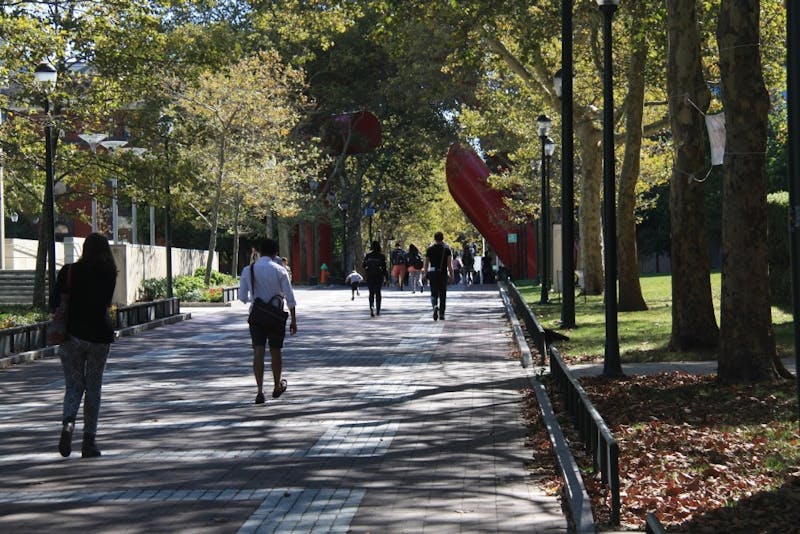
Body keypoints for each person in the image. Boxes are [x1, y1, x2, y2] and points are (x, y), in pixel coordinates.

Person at [55, 233, 117, 458]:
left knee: (73, 385)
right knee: (93, 388)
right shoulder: (109, 273)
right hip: (99, 337)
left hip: (71, 336)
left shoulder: (68, 271)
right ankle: (89, 441)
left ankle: (68, 424)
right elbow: (105, 303)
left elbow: (54, 303)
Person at [239, 238, 297, 404]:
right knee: (276, 351)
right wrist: (294, 320)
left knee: (258, 351)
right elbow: (290, 298)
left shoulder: (247, 270)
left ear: (259, 252)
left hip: (256, 317)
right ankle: (277, 385)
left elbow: (242, 297)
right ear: (275, 253)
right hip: (276, 317)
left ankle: (259, 391)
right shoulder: (280, 270)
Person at [422, 231, 454, 321]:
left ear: (434, 238)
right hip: (443, 274)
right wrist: (452, 275)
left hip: (432, 274)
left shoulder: (429, 249)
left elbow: (426, 263)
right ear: (442, 238)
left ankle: (435, 306)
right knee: (443, 294)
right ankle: (442, 314)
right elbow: (449, 265)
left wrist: (425, 274)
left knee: (433, 292)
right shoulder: (447, 250)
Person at [362, 240, 389, 316]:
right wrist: (387, 278)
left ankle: (371, 306)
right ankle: (378, 310)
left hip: (369, 275)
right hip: (379, 276)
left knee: (371, 292)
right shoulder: (381, 256)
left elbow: (363, 265)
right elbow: (384, 268)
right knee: (378, 292)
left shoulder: (368, 255)